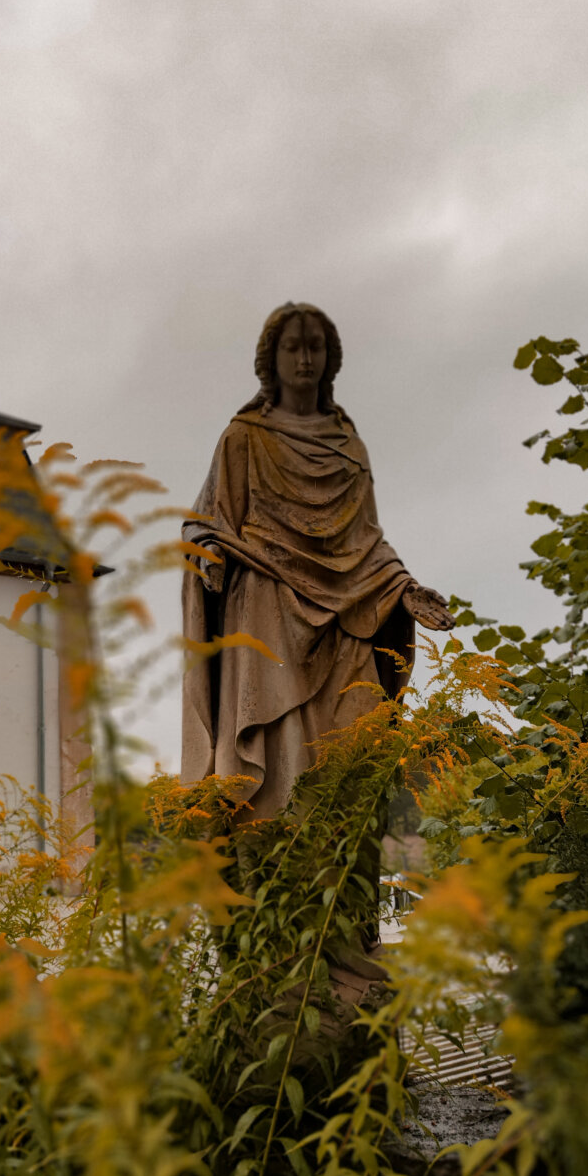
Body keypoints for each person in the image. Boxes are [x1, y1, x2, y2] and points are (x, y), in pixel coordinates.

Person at [181, 302, 453, 820]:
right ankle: (270, 869)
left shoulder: (348, 446)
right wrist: (210, 554)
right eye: (292, 346)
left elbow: (366, 542)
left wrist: (404, 588)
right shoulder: (244, 438)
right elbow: (206, 520)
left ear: (330, 358)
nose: (305, 358)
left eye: (315, 346)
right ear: (271, 358)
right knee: (280, 760)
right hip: (268, 610)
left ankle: (343, 886)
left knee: (355, 745)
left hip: (347, 618)